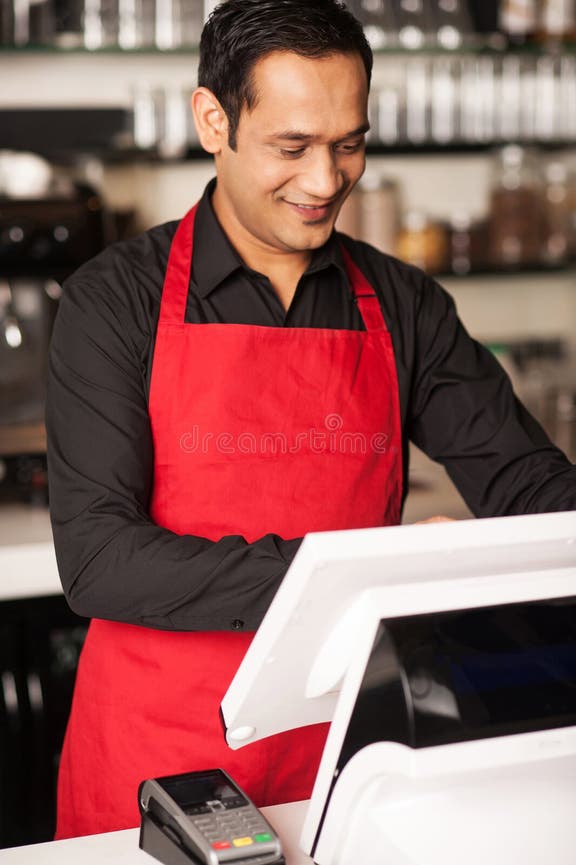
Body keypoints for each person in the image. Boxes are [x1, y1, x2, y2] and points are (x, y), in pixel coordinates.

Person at [46, 0, 576, 840]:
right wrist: (365, 575)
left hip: (358, 756)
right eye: (290, 147)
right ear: (213, 120)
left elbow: (523, 478)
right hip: (162, 768)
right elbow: (99, 557)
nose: (326, 180)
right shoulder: (116, 301)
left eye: (349, 143)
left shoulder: (404, 304)